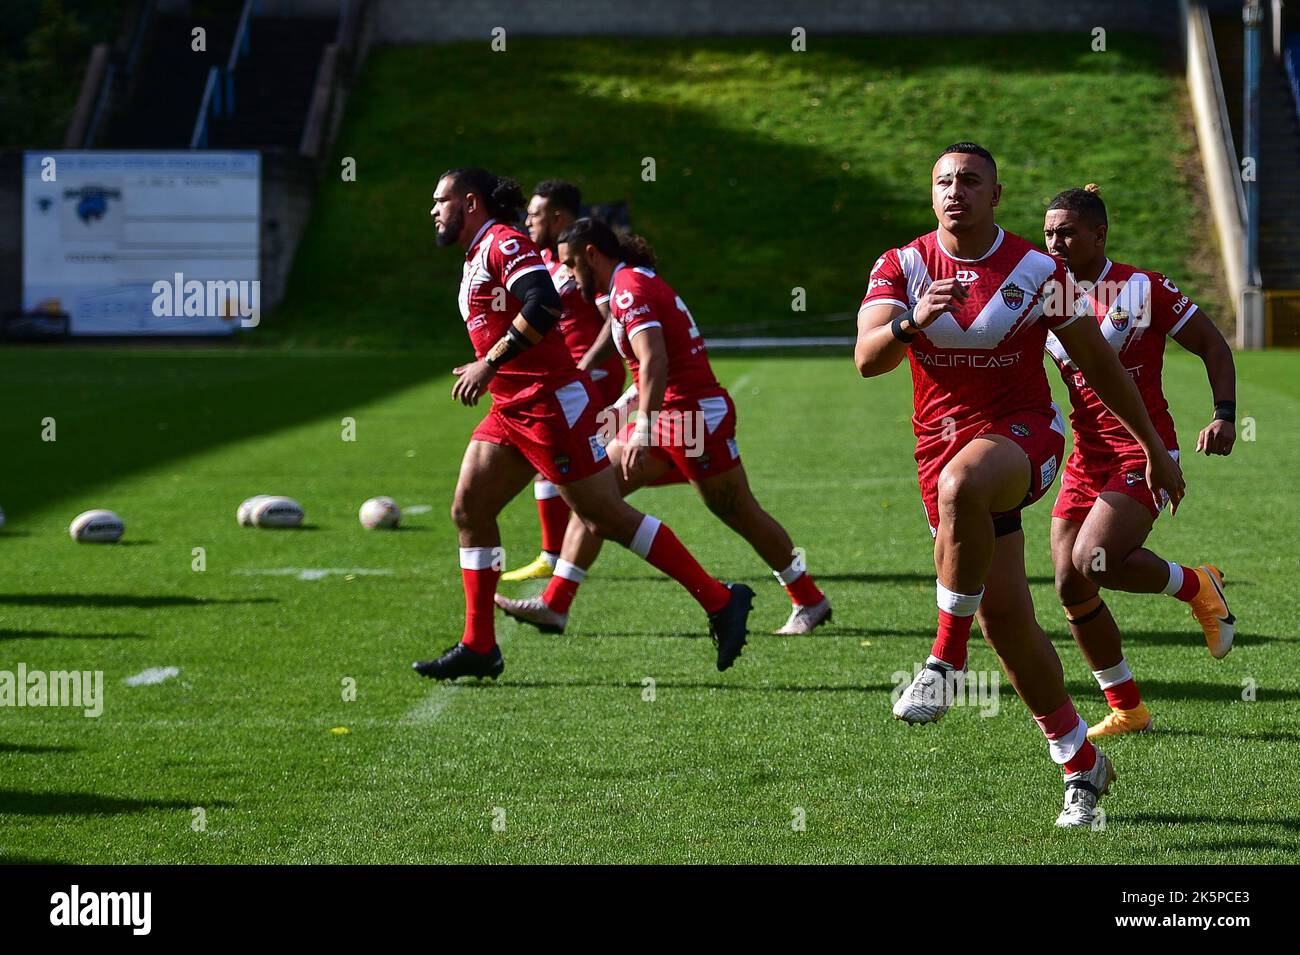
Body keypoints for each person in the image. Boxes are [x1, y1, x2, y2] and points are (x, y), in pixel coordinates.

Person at [855, 143, 1184, 827]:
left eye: (971, 181)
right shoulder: (902, 265)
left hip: (1026, 435)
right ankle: (1081, 765)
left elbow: (1100, 363)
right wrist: (912, 320)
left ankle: (942, 662)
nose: (956, 191)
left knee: (964, 481)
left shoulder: (1040, 270)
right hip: (935, 449)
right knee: (1005, 619)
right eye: (944, 181)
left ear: (996, 194)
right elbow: (866, 359)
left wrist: (1154, 446)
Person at [414, 168, 753, 680]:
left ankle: (721, 599)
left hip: (549, 404)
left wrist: (490, 362)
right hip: (512, 407)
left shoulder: (503, 243)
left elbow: (544, 303)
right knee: (470, 508)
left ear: (470, 203)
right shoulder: (477, 251)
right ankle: (479, 644)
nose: (434, 211)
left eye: (440, 201)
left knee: (605, 517)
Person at [496, 218, 832, 638]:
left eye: (569, 265)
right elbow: (647, 370)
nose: (565, 274)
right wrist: (622, 410)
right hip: (672, 415)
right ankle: (556, 604)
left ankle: (809, 599)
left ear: (591, 255)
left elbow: (655, 360)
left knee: (738, 511)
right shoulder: (627, 285)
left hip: (695, 420)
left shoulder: (629, 289)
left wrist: (641, 428)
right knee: (595, 496)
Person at [1043, 184, 1238, 738]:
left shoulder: (1142, 287)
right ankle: (1128, 708)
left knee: (1094, 558)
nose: (1056, 242)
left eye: (1068, 232)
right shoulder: (1047, 296)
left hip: (1145, 449)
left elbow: (1213, 345)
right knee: (1070, 585)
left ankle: (1196, 584)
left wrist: (1224, 413)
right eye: (1049, 232)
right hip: (1087, 455)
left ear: (1099, 235)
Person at [502, 179, 627, 583]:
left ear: (558, 217)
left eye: (534, 214)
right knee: (558, 466)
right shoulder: (545, 260)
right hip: (564, 381)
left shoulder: (582, 262)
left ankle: (559, 557)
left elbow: (615, 319)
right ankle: (554, 555)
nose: (527, 221)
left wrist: (586, 365)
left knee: (584, 473)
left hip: (593, 379)